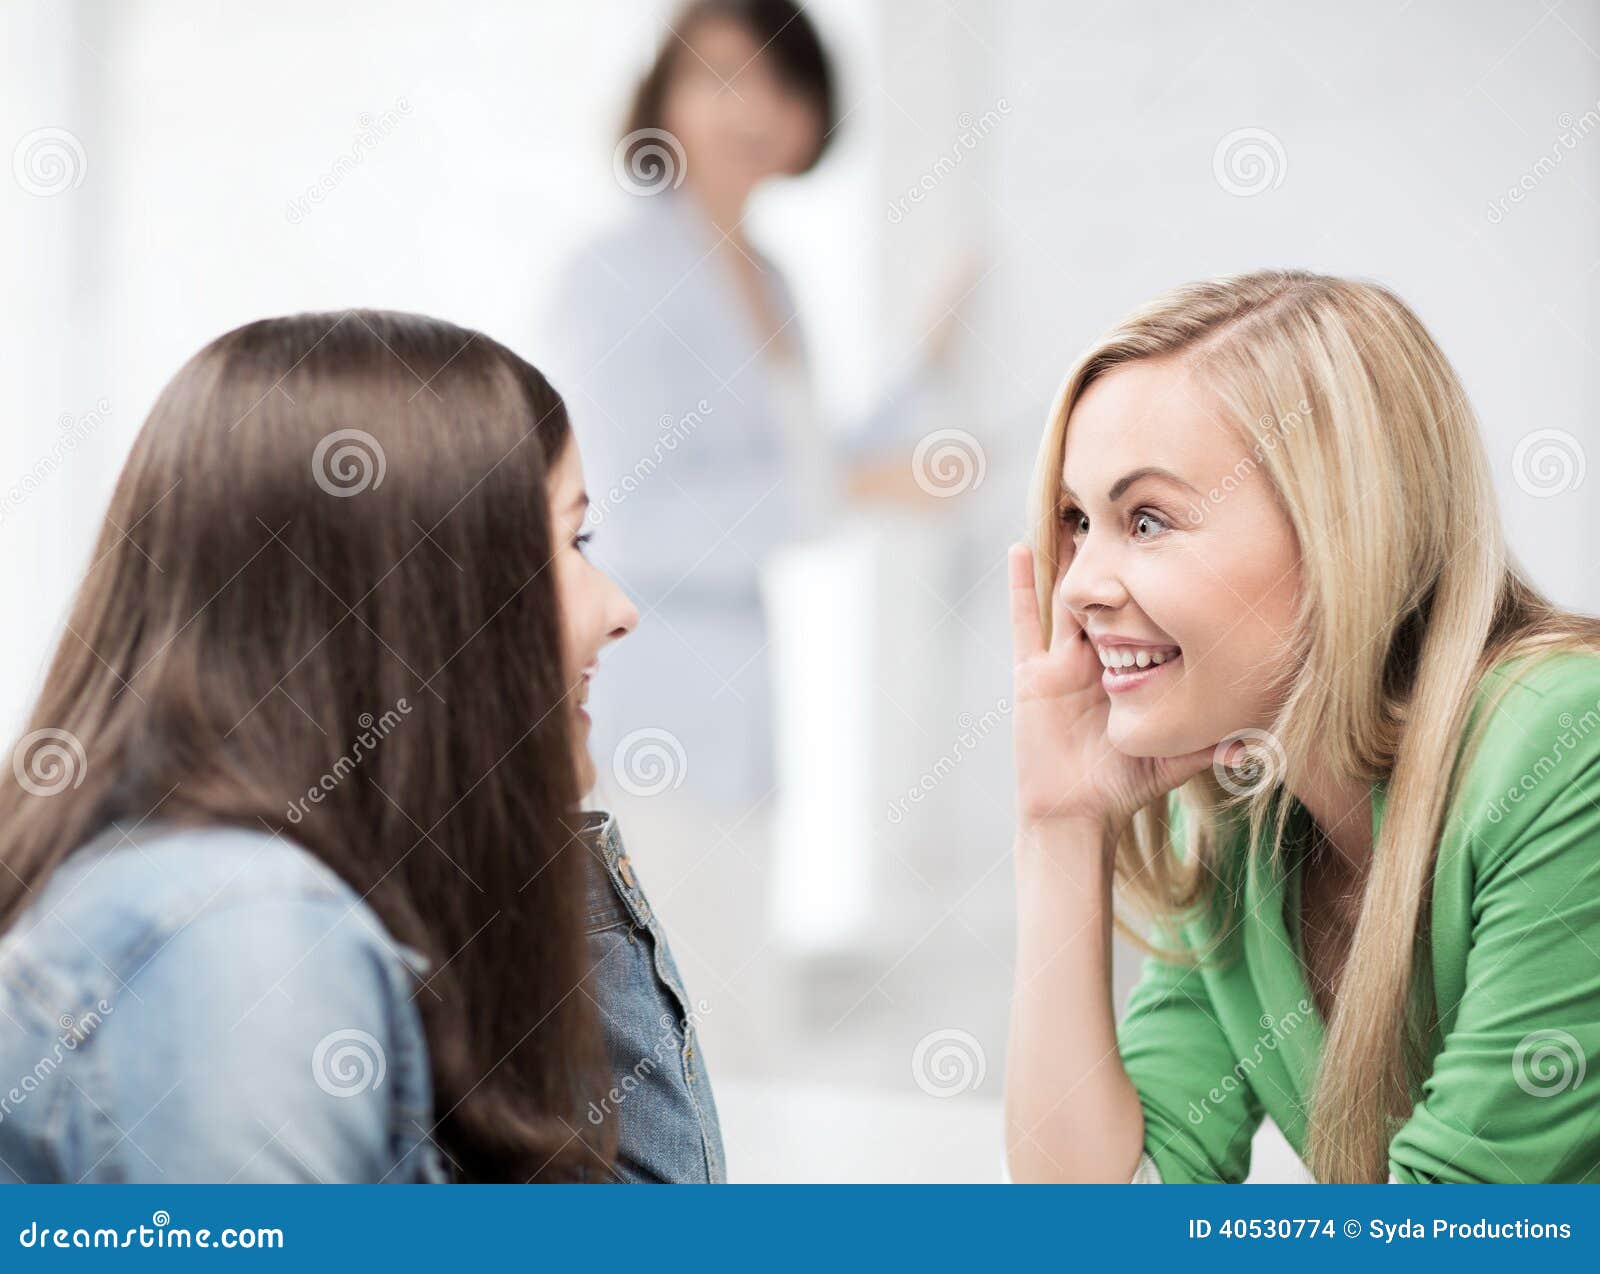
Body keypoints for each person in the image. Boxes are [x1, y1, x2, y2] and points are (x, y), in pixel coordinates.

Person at [0, 310, 723, 1183]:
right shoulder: (245, 943)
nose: (618, 608)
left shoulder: (296, 918)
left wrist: (517, 819)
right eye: (567, 541)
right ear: (409, 601)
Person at [1003, 269, 1600, 1184]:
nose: (1078, 583)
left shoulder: (1567, 742)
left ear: (1343, 529)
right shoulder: (1236, 807)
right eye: (1079, 521)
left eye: (1148, 519)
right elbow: (1089, 1215)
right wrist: (1060, 826)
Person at [539, 0, 953, 811]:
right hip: (637, 711)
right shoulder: (614, 272)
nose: (752, 105)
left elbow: (804, 464)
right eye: (719, 76)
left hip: (744, 723)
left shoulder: (772, 280)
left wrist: (929, 368)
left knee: (728, 934)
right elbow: (628, 516)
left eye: (777, 81)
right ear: (663, 101)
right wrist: (855, 487)